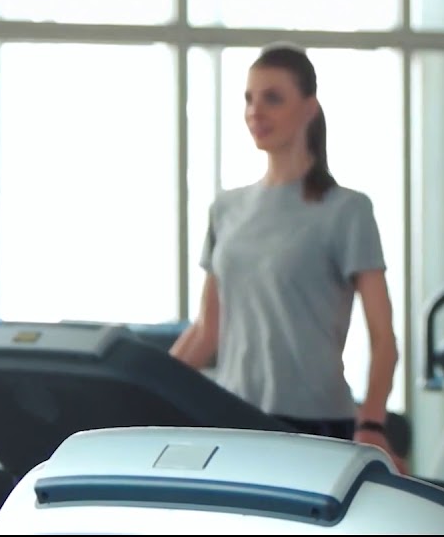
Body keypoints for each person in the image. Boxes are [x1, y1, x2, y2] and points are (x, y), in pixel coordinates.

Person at [169, 43, 402, 468]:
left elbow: (383, 337)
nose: (255, 111)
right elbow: (206, 331)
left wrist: (372, 423)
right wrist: (143, 396)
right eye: (249, 98)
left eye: (272, 98)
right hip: (231, 418)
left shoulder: (347, 210)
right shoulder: (226, 209)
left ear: (309, 108)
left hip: (315, 425)